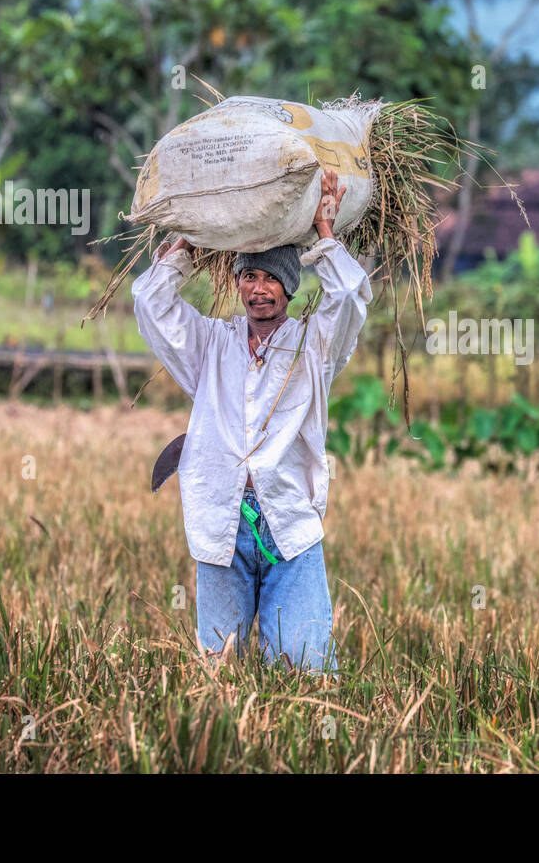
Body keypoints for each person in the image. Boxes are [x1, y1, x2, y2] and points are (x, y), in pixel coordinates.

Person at [131, 169, 371, 675]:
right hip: (221, 522)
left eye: (271, 279)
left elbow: (348, 297)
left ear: (289, 286)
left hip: (289, 523)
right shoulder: (211, 346)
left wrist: (326, 232)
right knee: (220, 670)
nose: (259, 290)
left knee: (304, 669)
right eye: (249, 276)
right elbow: (150, 303)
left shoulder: (314, 347)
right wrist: (190, 233)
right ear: (238, 281)